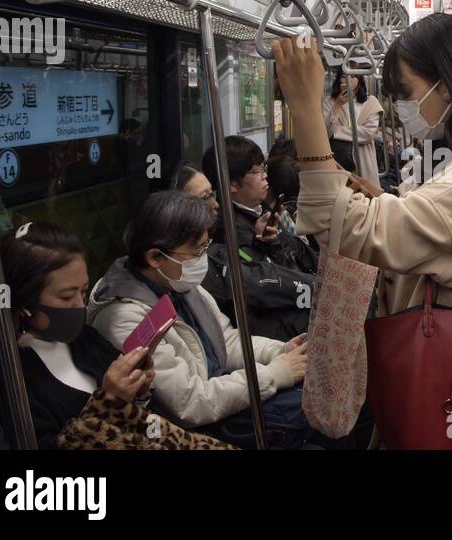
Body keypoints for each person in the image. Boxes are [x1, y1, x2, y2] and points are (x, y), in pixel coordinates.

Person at [271, 12, 452, 316]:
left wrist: (305, 108)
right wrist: (381, 199)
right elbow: (434, 226)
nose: (402, 107)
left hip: (448, 358)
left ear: (446, 86)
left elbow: (342, 229)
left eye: (406, 93)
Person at [87, 191, 316, 448]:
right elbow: (188, 403)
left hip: (226, 393)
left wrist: (278, 352)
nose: (202, 259)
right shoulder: (125, 319)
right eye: (196, 252)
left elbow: (225, 341)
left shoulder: (178, 283)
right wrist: (275, 374)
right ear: (154, 257)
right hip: (195, 429)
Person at [0, 221, 231, 450]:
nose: (78, 305)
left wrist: (139, 389)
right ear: (24, 298)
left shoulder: (83, 338)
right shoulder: (2, 377)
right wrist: (109, 402)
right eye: (66, 296)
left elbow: (141, 420)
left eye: (83, 292)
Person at [191, 149, 316, 341]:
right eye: (256, 171)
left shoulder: (261, 211)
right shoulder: (228, 232)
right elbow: (259, 281)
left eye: (264, 168)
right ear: (233, 183)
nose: (215, 203)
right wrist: (314, 287)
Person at [323, 68, 384, 188]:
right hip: (338, 159)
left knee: (367, 193)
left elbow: (368, 134)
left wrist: (337, 131)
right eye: (343, 75)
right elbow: (325, 132)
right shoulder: (329, 102)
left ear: (360, 79)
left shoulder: (370, 102)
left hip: (363, 157)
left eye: (353, 76)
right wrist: (337, 106)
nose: (347, 78)